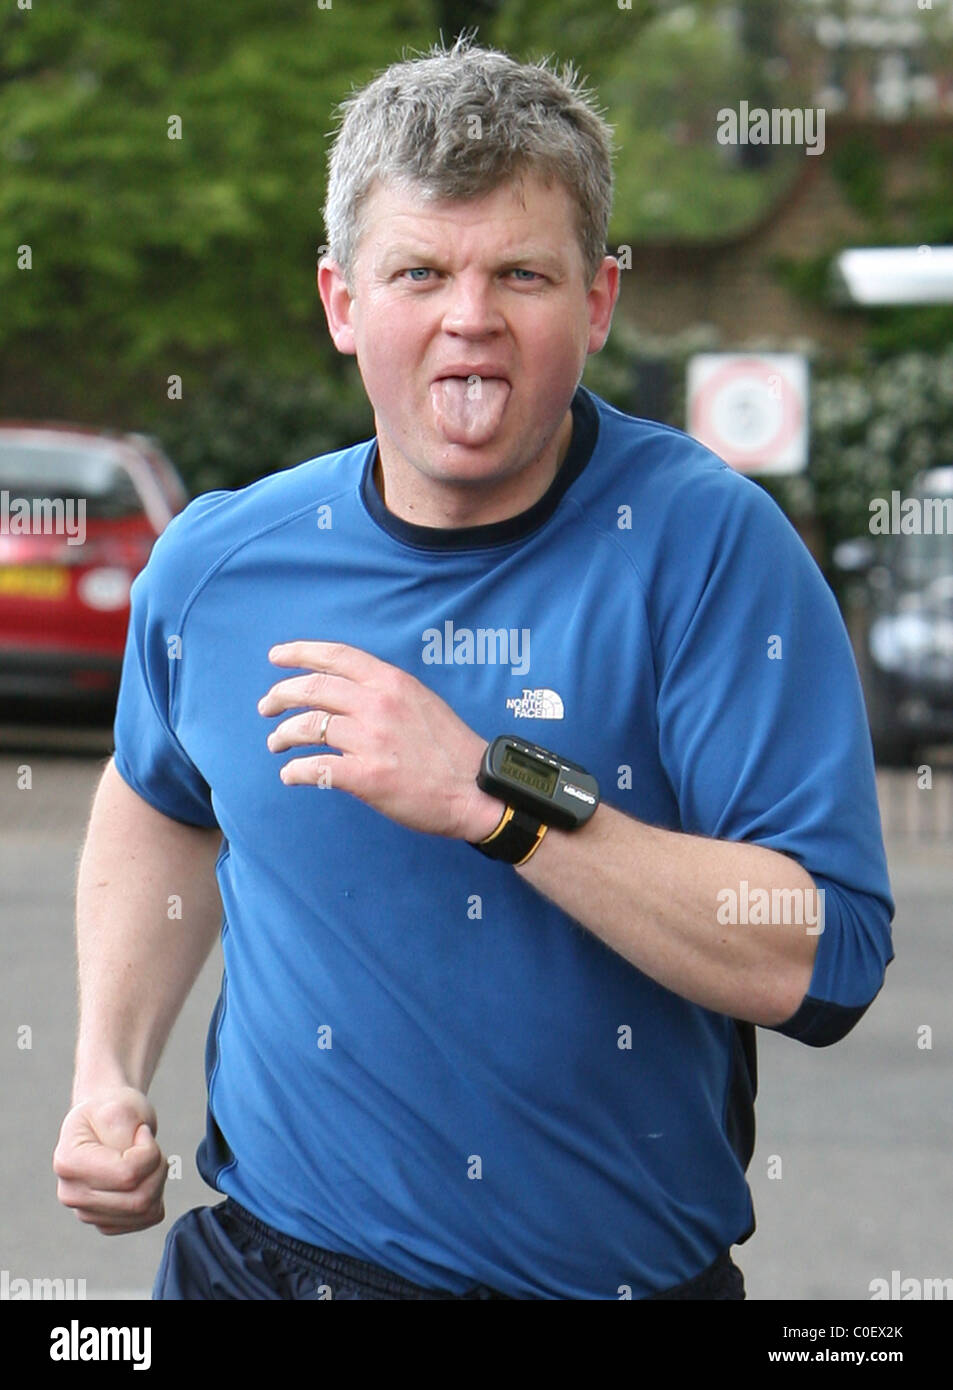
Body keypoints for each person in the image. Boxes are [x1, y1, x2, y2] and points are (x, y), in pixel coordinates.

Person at [53, 37, 894, 1301]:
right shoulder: (220, 565)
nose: (469, 317)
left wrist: (497, 799)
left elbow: (822, 954)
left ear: (599, 300)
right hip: (270, 1272)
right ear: (341, 302)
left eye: (519, 272)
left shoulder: (710, 551)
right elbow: (159, 795)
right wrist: (105, 1071)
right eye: (419, 271)